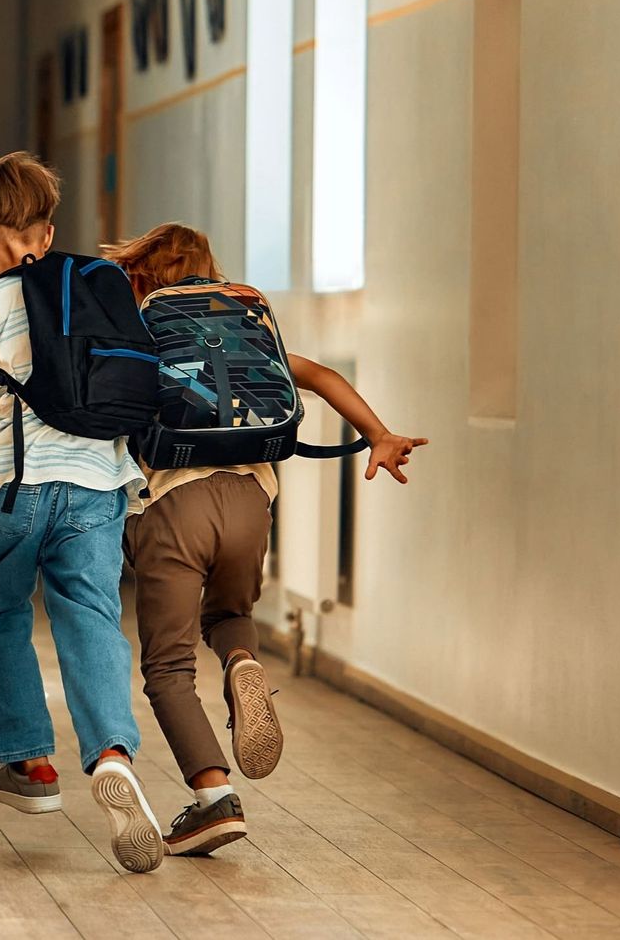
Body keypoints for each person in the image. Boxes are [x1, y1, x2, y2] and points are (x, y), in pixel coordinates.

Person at [102, 222, 427, 856]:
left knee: (167, 666)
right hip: (252, 499)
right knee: (230, 614)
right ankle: (243, 665)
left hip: (172, 503)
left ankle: (214, 801)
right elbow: (322, 375)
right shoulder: (248, 322)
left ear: (143, 275)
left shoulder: (141, 334)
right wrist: (380, 435)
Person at [0, 151, 166, 874]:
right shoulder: (100, 287)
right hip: (99, 484)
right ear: (48, 228)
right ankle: (112, 751)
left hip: (18, 484)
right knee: (89, 613)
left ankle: (31, 762)